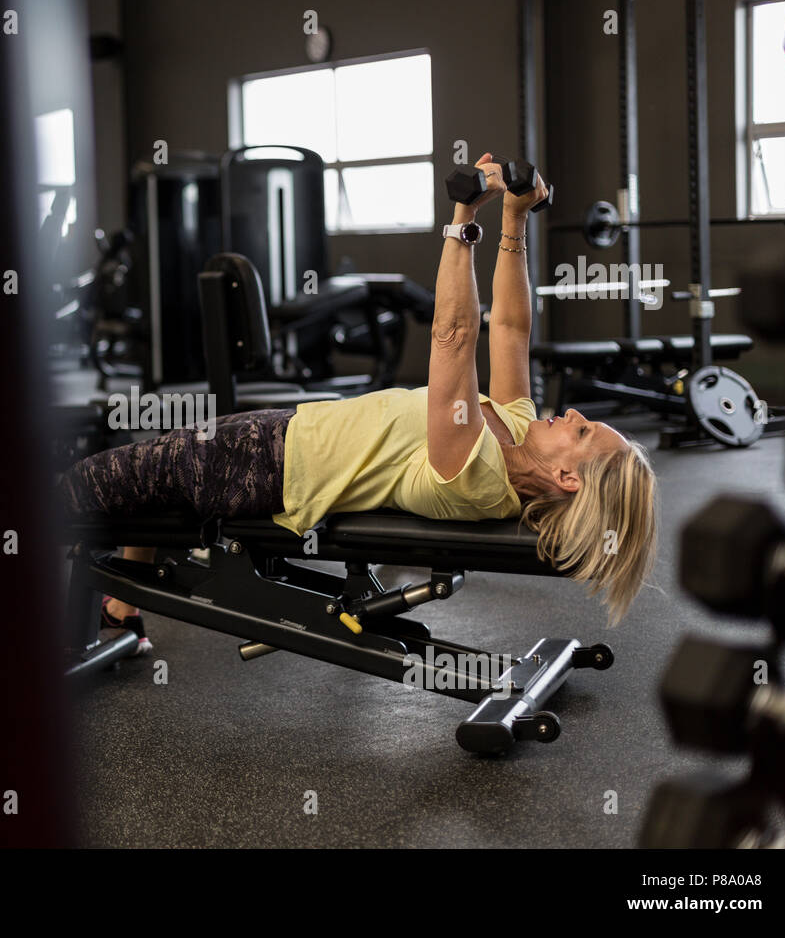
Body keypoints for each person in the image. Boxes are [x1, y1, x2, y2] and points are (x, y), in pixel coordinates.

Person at [59, 153, 658, 655]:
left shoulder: (479, 472)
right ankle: (121, 608)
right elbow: (508, 330)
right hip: (287, 433)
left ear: (564, 478)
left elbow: (453, 334)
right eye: (585, 422)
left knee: (81, 492)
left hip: (264, 466)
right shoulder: (518, 427)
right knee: (151, 479)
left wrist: (462, 218)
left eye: (581, 435)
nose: (574, 416)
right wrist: (514, 222)